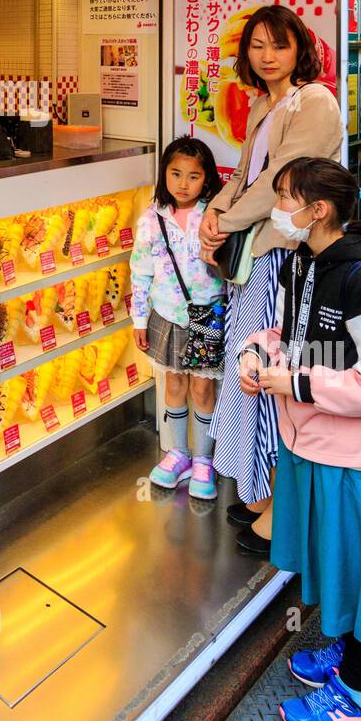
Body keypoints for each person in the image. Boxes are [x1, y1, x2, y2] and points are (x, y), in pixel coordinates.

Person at [239, 158, 361, 721]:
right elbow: (286, 336)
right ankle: (349, 655)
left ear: (319, 210)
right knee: (335, 559)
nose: (276, 207)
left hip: (351, 455)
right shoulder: (300, 264)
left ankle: (358, 697)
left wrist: (296, 384)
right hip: (309, 444)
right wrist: (256, 355)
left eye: (285, 196)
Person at [198, 5, 342, 556]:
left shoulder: (315, 101)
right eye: (257, 45)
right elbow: (243, 176)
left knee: (270, 374)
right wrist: (215, 212)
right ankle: (260, 492)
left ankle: (285, 509)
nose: (266, 56)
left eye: (278, 45)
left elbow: (283, 181)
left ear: (298, 48)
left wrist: (227, 221)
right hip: (255, 252)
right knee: (247, 371)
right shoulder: (264, 101)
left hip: (285, 255)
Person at [132, 136, 225, 499]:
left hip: (207, 314)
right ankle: (178, 453)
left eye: (193, 176)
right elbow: (139, 272)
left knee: (203, 387)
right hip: (167, 314)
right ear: (164, 175)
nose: (183, 184)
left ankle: (204, 459)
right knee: (173, 384)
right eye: (175, 174)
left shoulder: (215, 214)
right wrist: (139, 320)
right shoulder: (151, 218)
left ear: (207, 179)